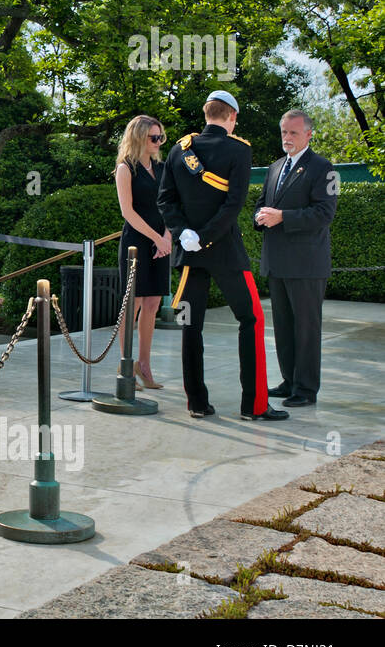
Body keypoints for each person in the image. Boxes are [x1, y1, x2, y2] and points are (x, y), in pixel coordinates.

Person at [158, 90, 285, 421]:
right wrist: (206, 236)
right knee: (251, 320)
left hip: (189, 256)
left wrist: (184, 233)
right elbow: (234, 204)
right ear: (232, 117)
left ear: (206, 113)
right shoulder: (239, 150)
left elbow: (165, 200)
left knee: (190, 326)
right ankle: (253, 406)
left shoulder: (178, 150)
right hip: (226, 251)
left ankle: (196, 403)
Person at [253, 109, 337, 407]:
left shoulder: (325, 169)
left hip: (306, 265)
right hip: (277, 263)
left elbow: (324, 213)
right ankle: (289, 381)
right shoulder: (275, 167)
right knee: (284, 328)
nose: (287, 138)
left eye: (293, 133)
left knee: (306, 329)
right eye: (284, 132)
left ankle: (306, 389)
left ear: (309, 134)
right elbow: (263, 204)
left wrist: (283, 217)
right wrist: (259, 216)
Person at [114, 115, 172, 390]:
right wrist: (156, 239)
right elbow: (128, 212)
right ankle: (126, 364)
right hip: (137, 243)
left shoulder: (162, 168)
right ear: (138, 138)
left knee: (153, 304)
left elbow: (173, 204)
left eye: (161, 137)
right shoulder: (126, 169)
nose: (159, 142)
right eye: (153, 137)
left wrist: (168, 237)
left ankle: (145, 365)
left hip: (162, 241)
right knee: (134, 303)